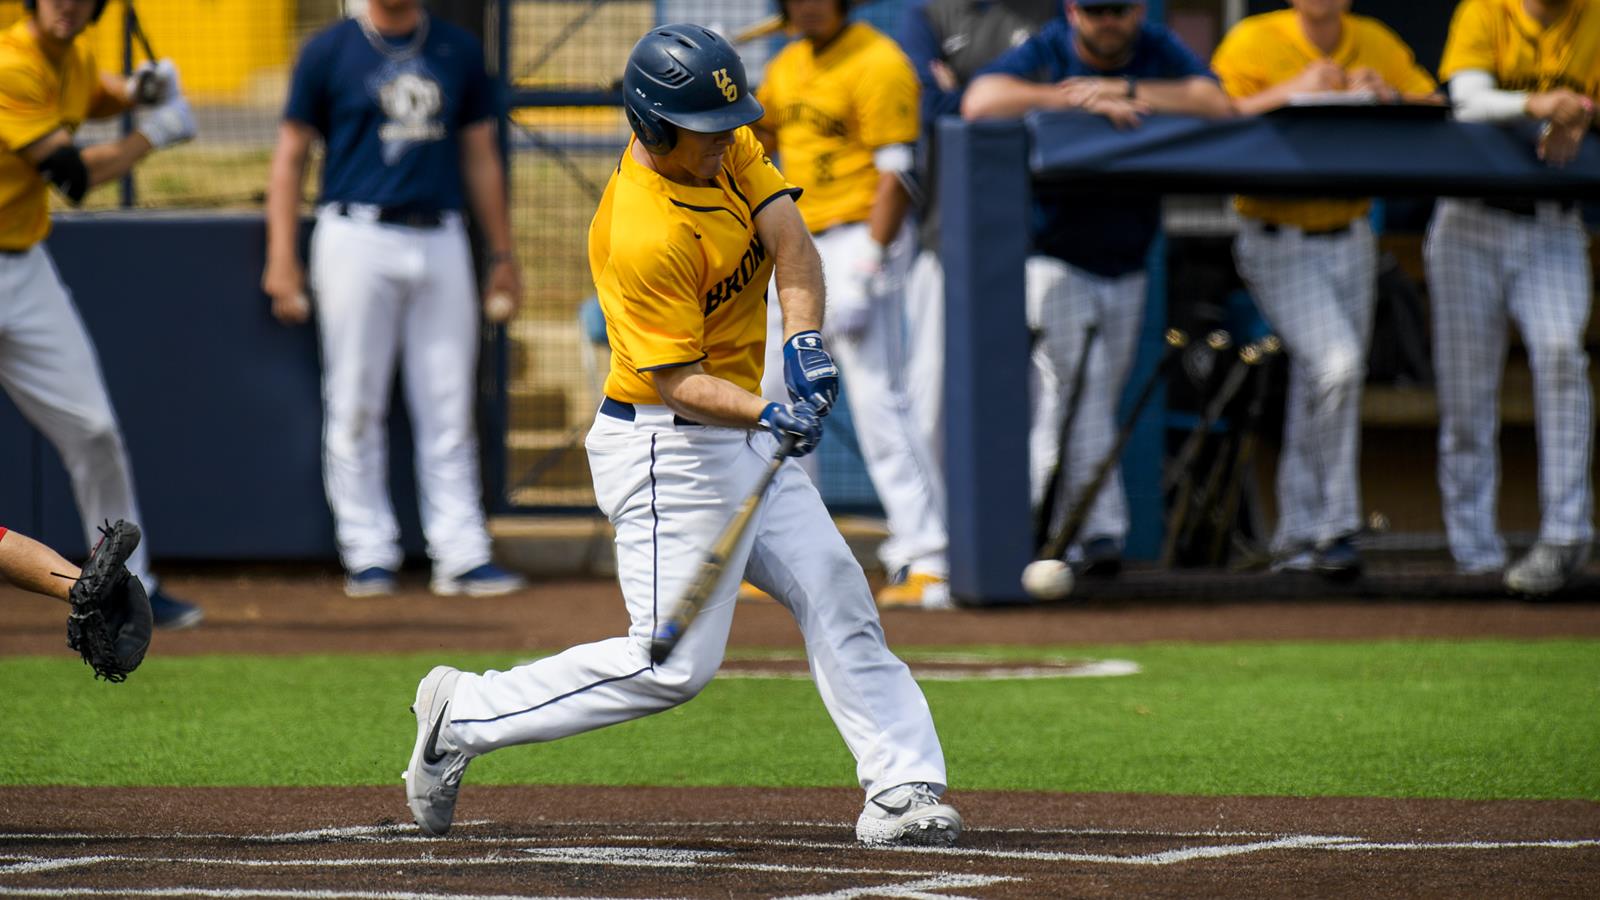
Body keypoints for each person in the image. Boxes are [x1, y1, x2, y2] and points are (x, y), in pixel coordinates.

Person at [402, 24, 962, 848]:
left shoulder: (725, 141)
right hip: (670, 449)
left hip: (736, 432)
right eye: (702, 130)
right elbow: (676, 380)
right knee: (667, 667)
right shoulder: (644, 230)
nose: (725, 140)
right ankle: (462, 712)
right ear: (654, 126)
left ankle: (902, 786)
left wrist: (803, 343)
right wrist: (769, 412)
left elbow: (793, 244)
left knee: (836, 591)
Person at [262, 0, 526, 599]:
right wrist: (282, 256)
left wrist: (503, 256)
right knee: (355, 398)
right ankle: (368, 552)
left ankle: (461, 552)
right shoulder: (330, 49)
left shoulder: (457, 49)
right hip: (356, 233)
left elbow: (481, 156)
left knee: (449, 402)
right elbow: (290, 157)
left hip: (441, 235)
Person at [962, 1, 1231, 576]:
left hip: (1127, 261)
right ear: (1073, 11)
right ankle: (1095, 533)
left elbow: (1216, 103)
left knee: (1086, 403)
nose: (1108, 20)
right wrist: (1068, 96)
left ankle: (1051, 535)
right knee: (1075, 390)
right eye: (1096, 9)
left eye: (1119, 9)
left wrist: (1132, 91)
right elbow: (980, 102)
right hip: (1054, 258)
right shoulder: (1048, 47)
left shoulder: (1156, 49)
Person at [1211, 0, 1436, 579]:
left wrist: (1387, 92)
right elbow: (1216, 113)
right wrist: (1294, 88)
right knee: (1337, 366)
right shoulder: (1253, 39)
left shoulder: (1373, 38)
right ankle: (1336, 525)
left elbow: (1435, 103)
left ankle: (1296, 539)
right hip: (1274, 232)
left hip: (1350, 233)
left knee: (1324, 383)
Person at [0, 0, 203, 629]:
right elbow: (73, 175)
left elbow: (96, 92)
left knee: (93, 428)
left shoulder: (73, 57)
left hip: (23, 265)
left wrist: (138, 89)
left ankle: (124, 587)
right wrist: (156, 132)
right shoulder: (11, 61)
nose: (67, 2)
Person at [753, 0, 952, 609]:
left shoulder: (879, 60)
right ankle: (795, 556)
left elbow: (899, 171)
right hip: (799, 243)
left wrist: (869, 263)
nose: (806, 6)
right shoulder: (786, 64)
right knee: (775, 398)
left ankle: (930, 559)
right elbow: (760, 139)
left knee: (877, 400)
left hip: (864, 237)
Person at [1424, 0, 1597, 594]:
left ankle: (1566, 534)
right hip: (1469, 222)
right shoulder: (1484, 11)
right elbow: (1467, 99)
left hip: (1552, 221)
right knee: (1468, 395)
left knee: (1559, 355)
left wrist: (1583, 114)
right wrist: (1540, 104)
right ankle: (1475, 554)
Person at [897, 0, 1062, 487]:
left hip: (1042, 235)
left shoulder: (1053, 15)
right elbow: (927, 105)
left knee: (1041, 390)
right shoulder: (931, 12)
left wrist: (974, 94)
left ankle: (1039, 529)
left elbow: (1072, 103)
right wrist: (1013, 98)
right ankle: (935, 539)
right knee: (929, 390)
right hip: (945, 231)